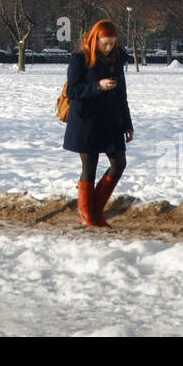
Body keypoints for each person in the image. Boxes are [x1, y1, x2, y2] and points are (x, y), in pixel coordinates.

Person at [65, 20, 134, 227]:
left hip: (111, 120)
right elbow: (73, 91)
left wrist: (127, 124)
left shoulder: (117, 59)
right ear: (95, 40)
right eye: (104, 43)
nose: (108, 47)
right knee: (90, 167)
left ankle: (94, 211)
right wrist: (98, 86)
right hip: (86, 120)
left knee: (119, 163)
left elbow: (122, 95)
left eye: (112, 43)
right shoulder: (80, 58)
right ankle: (88, 217)